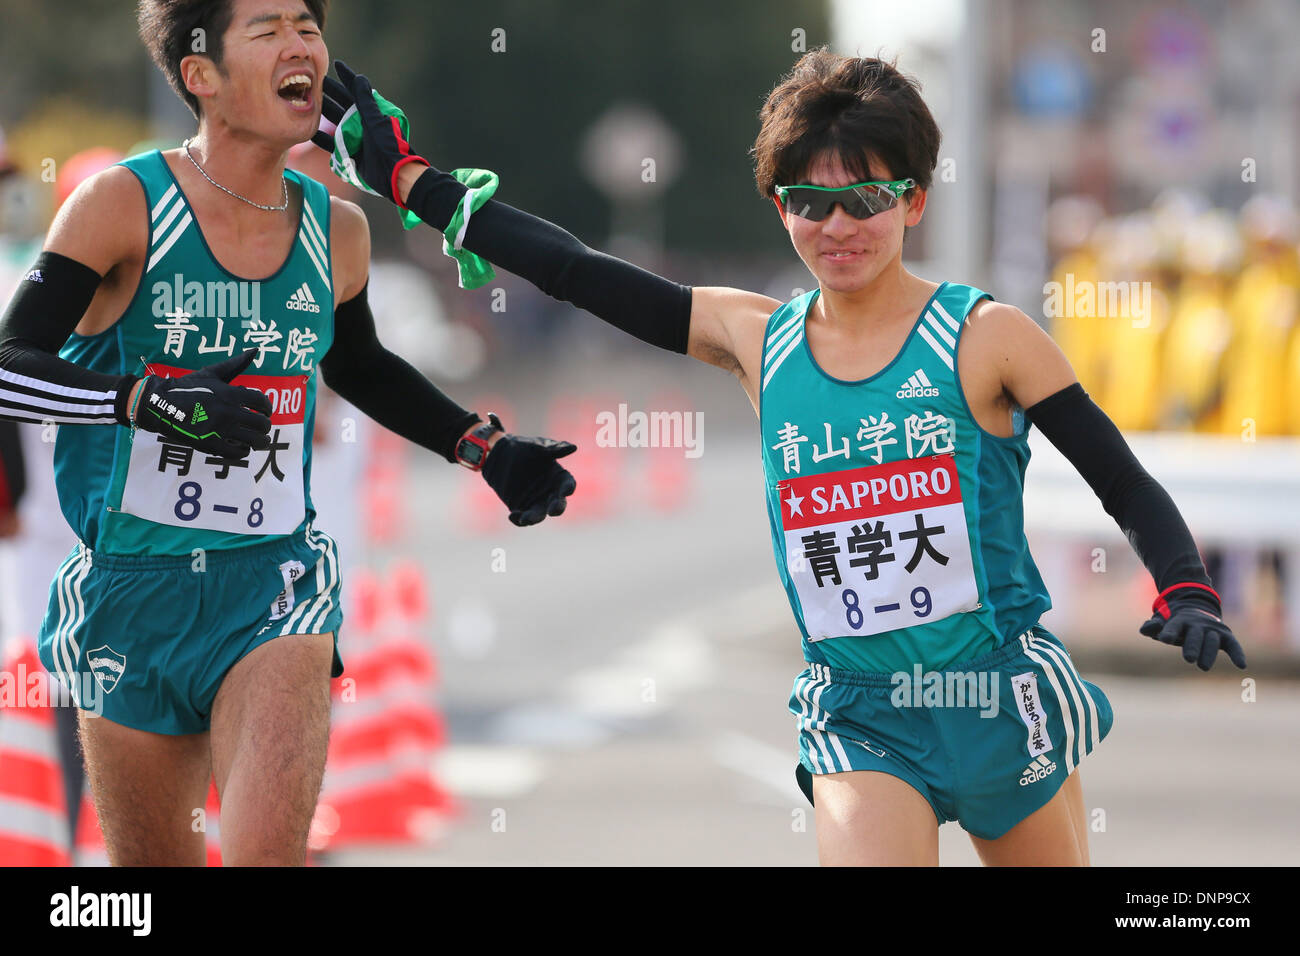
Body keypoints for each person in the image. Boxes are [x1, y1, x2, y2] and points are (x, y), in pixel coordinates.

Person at [315, 48, 1248, 866]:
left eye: (866, 200)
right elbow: (573, 269)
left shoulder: (987, 337)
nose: (838, 227)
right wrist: (413, 183)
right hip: (858, 715)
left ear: (915, 200)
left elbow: (1120, 479)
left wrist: (1186, 585)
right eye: (809, 202)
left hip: (994, 695)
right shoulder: (756, 339)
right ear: (779, 206)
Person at [0, 0, 576, 866]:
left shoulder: (335, 228)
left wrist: (483, 446)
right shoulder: (120, 204)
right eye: (266, 29)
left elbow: (364, 368)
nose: (301, 44)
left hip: (273, 583)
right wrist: (141, 402)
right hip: (126, 595)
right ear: (201, 74)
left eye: (308, 25)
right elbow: (10, 365)